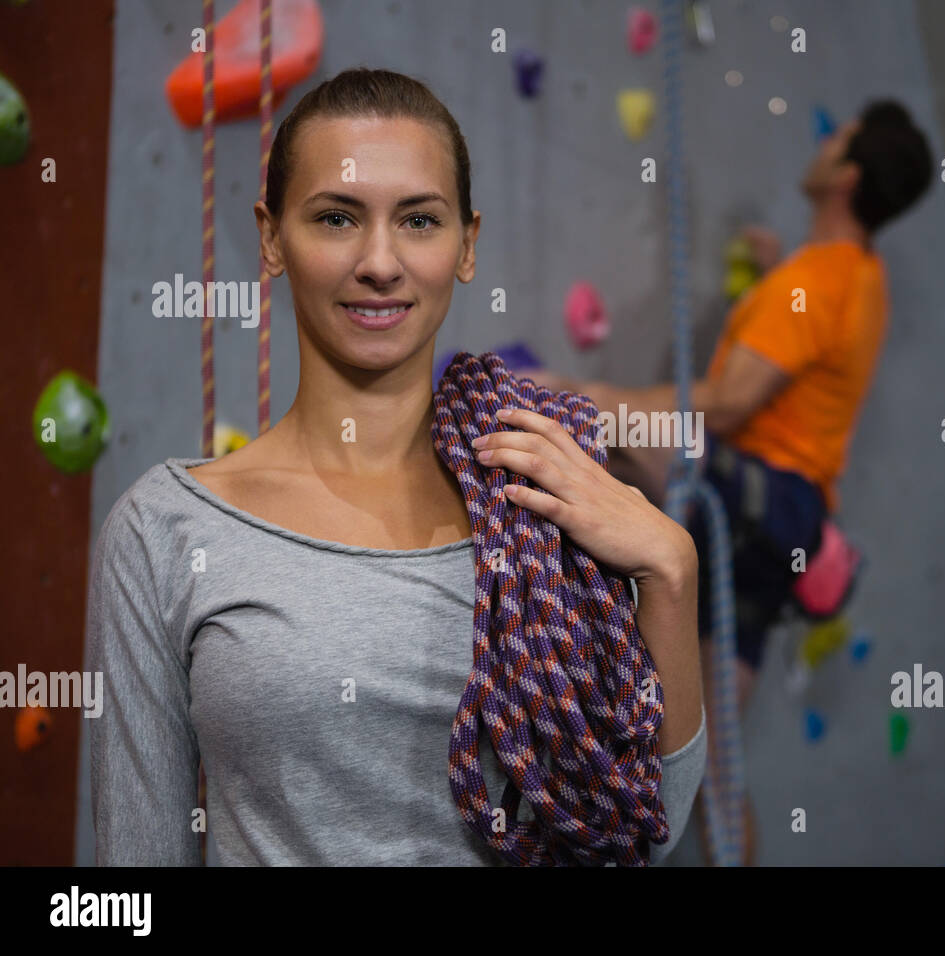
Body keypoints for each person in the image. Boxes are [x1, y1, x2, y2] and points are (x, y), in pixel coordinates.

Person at [87, 67, 706, 866]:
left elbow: (642, 834)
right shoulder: (164, 531)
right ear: (272, 237)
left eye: (418, 221)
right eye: (337, 217)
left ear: (467, 244)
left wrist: (671, 569)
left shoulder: (543, 507)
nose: (380, 262)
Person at [531, 99, 934, 865]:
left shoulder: (819, 279)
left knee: (577, 425)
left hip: (762, 504)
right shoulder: (859, 279)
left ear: (845, 175)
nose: (823, 145)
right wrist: (772, 278)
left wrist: (571, 395)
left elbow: (724, 404)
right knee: (711, 762)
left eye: (836, 139)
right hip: (777, 538)